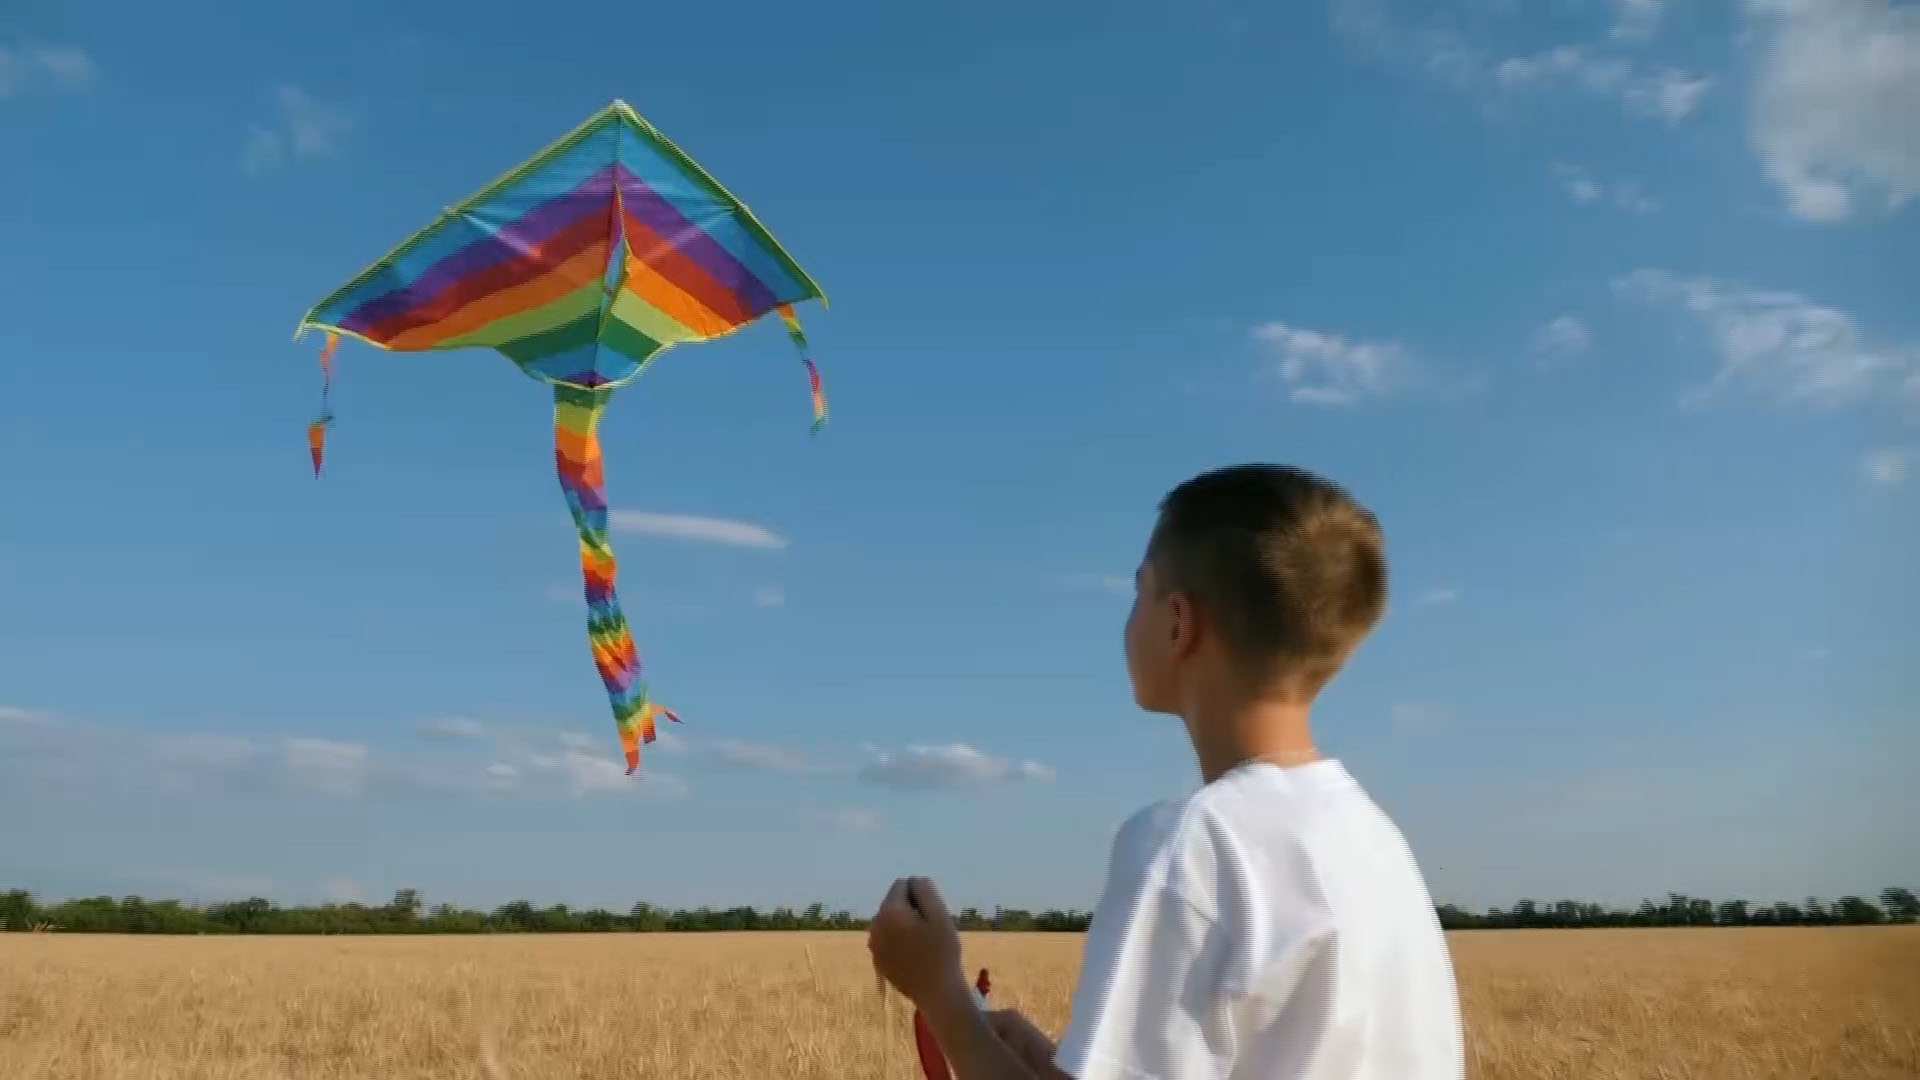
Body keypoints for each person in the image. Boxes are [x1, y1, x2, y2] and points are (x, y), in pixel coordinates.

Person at [868, 465, 1465, 1079]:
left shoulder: (1189, 846)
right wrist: (1045, 1063)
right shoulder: (1374, 840)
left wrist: (941, 996)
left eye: (1140, 591)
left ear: (1180, 622)